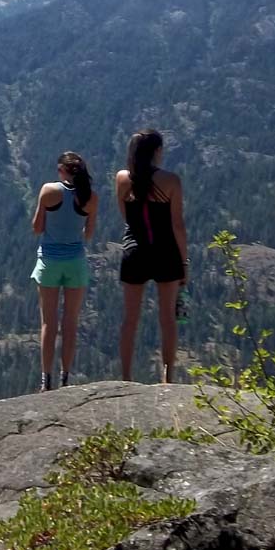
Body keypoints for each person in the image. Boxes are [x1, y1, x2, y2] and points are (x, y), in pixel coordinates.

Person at [116, 129, 189, 383]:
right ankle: (168, 378)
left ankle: (125, 377)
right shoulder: (171, 181)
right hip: (165, 252)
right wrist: (184, 262)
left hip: (134, 250)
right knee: (168, 318)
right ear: (157, 151)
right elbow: (177, 225)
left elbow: (125, 216)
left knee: (129, 319)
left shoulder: (123, 178)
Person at [31, 152, 98, 391]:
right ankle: (65, 377)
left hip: (49, 260)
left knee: (49, 322)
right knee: (71, 321)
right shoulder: (90, 198)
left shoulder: (49, 191)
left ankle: (45, 379)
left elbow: (37, 228)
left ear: (62, 171)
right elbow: (88, 235)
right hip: (75, 262)